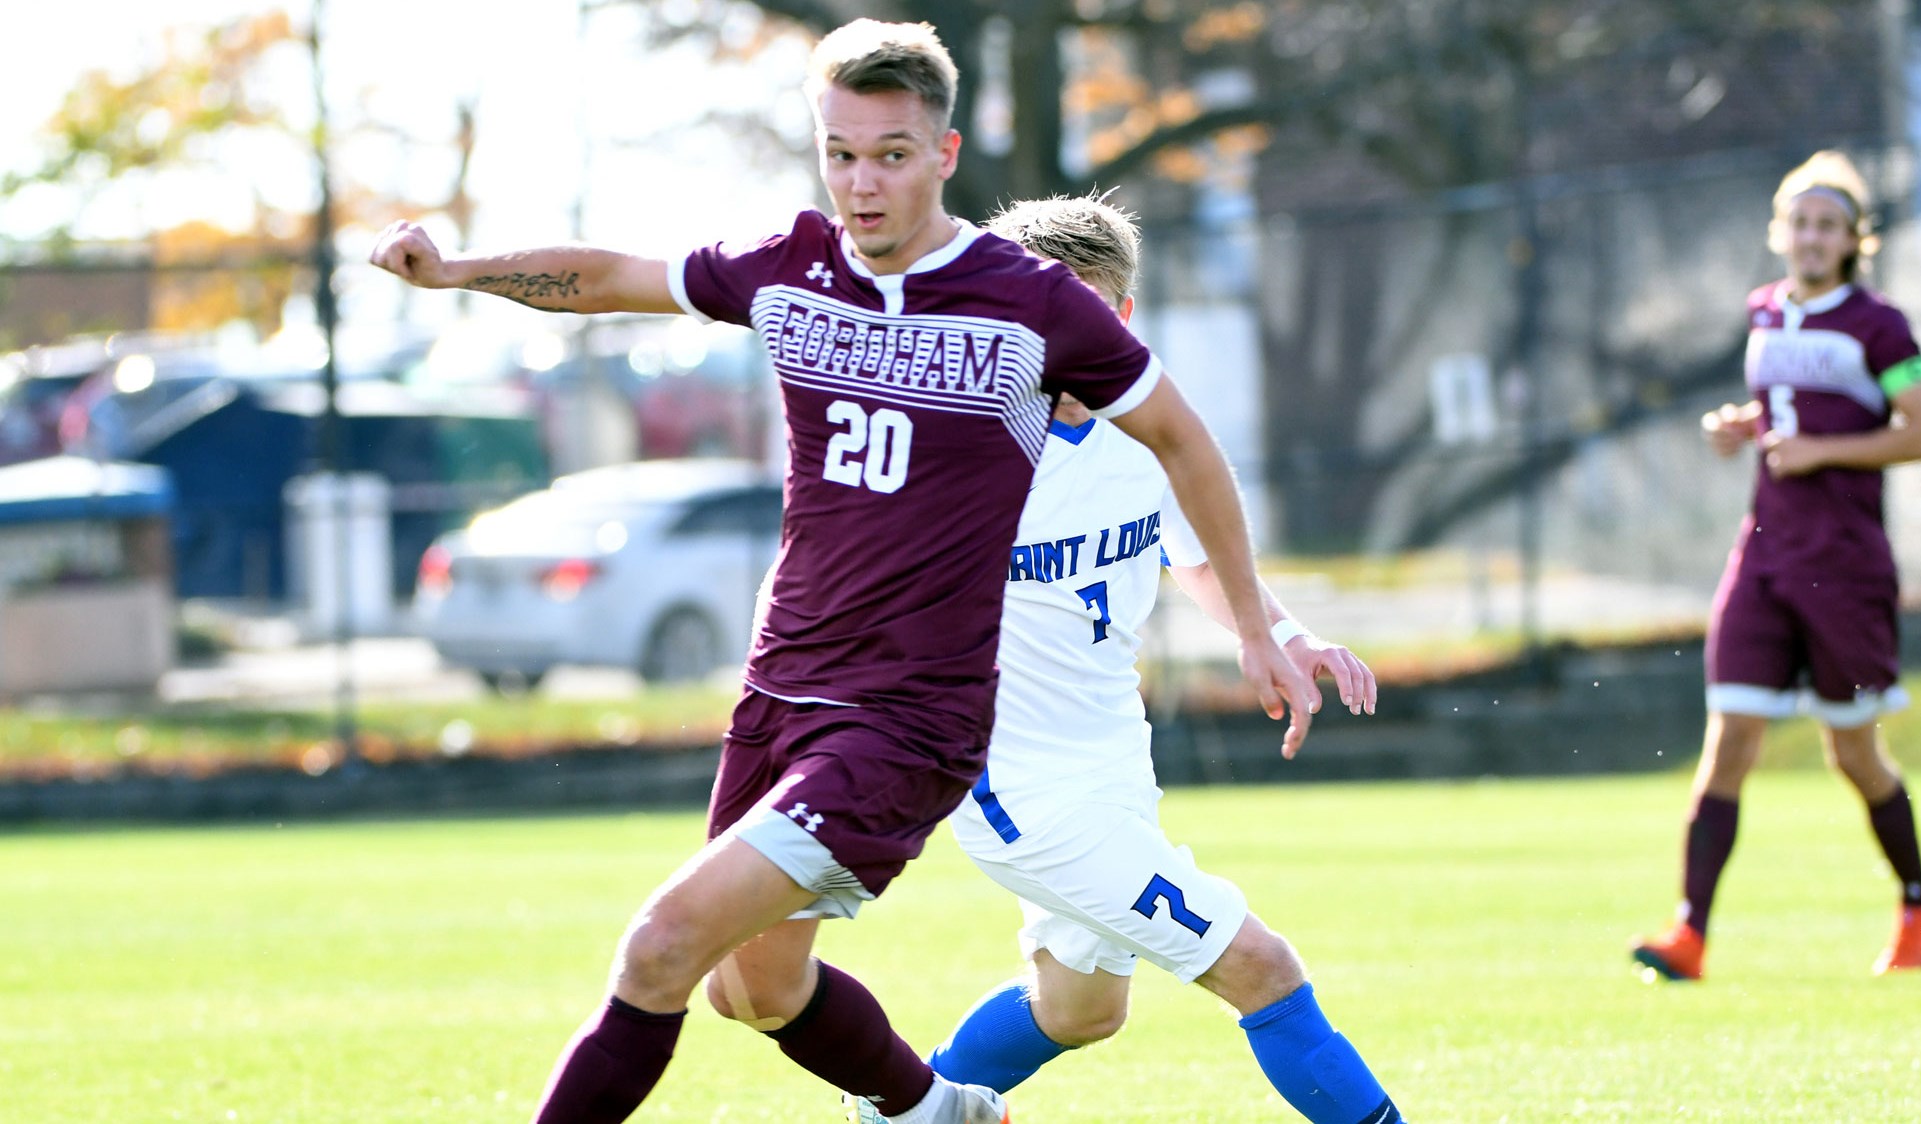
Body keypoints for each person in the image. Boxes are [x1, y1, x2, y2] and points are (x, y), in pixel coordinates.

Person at [369, 19, 1318, 1124]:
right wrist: (456, 272)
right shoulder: (790, 266)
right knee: (753, 989)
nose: (863, 184)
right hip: (781, 689)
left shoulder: (1032, 302)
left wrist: (1259, 628)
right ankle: (940, 1112)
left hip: (907, 713)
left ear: (945, 153)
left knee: (661, 943)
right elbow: (614, 275)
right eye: (841, 153)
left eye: (892, 154)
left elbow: (1184, 442)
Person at [851, 194, 1403, 1124]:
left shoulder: (1151, 431)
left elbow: (1199, 560)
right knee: (1261, 966)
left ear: (1125, 315)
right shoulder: (963, 446)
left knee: (1081, 1008)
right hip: (1015, 787)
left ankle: (892, 1116)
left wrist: (1283, 637)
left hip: (1111, 761)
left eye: (1088, 313)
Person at [1630, 151, 1921, 983]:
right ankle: (1689, 935)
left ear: (1852, 240)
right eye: (1800, 222)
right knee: (1729, 735)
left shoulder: (1881, 326)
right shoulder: (1765, 310)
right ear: (1781, 231)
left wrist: (1821, 452)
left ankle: (1919, 904)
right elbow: (1782, 411)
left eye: (1828, 226)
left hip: (1844, 567)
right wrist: (1735, 427)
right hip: (1764, 556)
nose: (1811, 237)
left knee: (1854, 755)